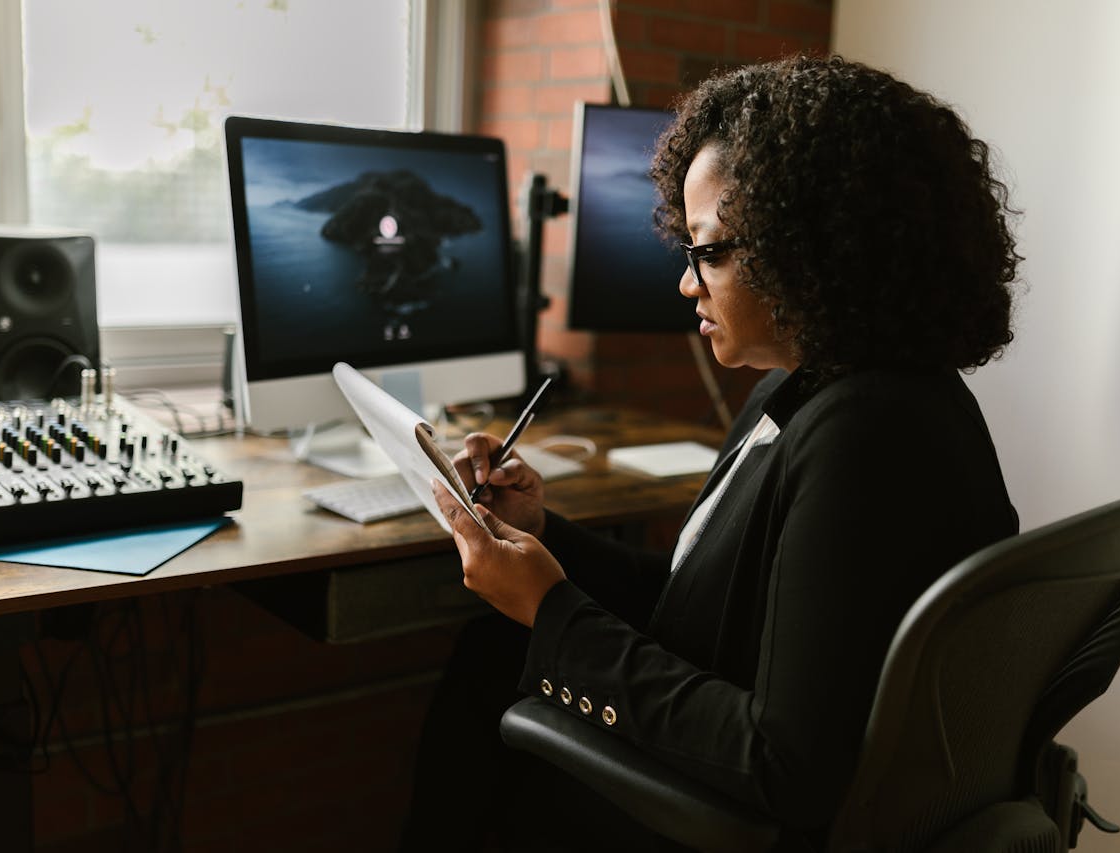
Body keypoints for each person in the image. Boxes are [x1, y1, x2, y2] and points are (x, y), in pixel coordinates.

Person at [404, 53, 1021, 852]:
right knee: (493, 641)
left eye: (711, 251)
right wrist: (544, 533)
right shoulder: (811, 389)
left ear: (813, 244)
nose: (688, 284)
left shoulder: (873, 438)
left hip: (723, 820)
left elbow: (785, 765)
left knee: (492, 658)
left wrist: (550, 610)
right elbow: (698, 604)